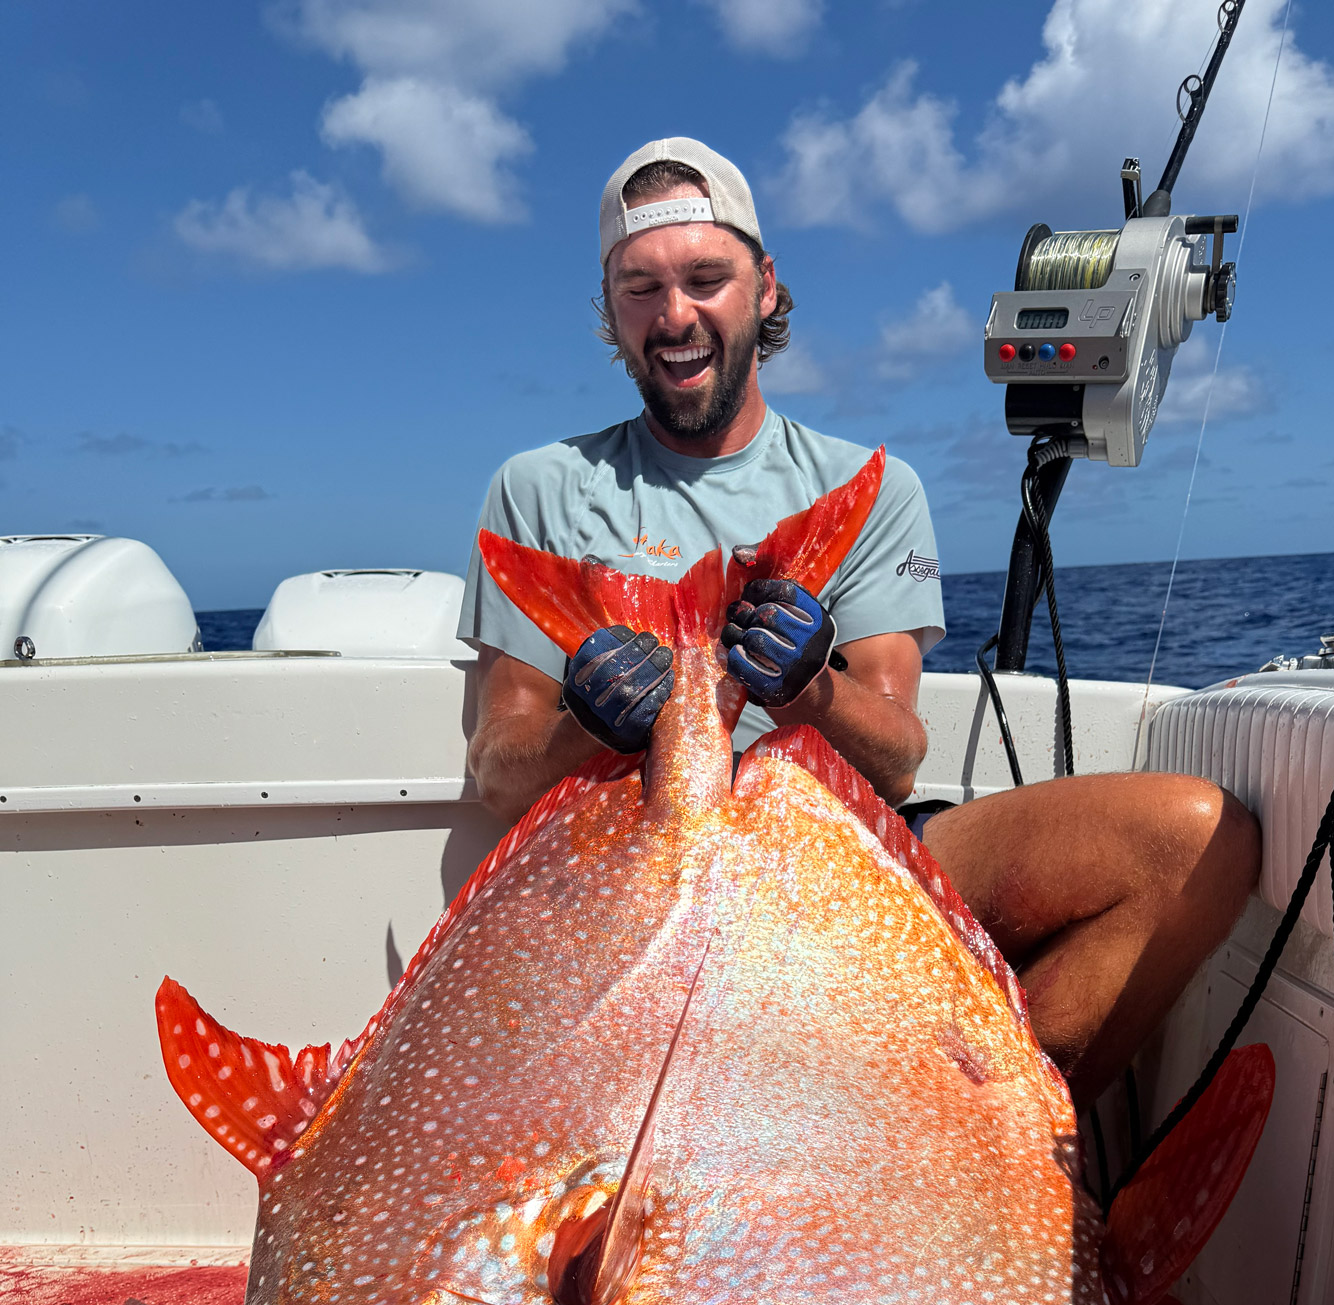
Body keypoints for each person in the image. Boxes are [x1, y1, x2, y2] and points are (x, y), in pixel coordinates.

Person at [461, 137, 1259, 1108]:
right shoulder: (538, 490)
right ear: (610, 310)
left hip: (845, 865)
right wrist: (584, 720)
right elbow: (500, 766)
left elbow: (895, 761)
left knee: (1192, 844)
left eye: (706, 278)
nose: (675, 314)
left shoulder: (870, 490)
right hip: (625, 877)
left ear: (764, 287)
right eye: (641, 288)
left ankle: (993, 1151)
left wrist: (813, 689)